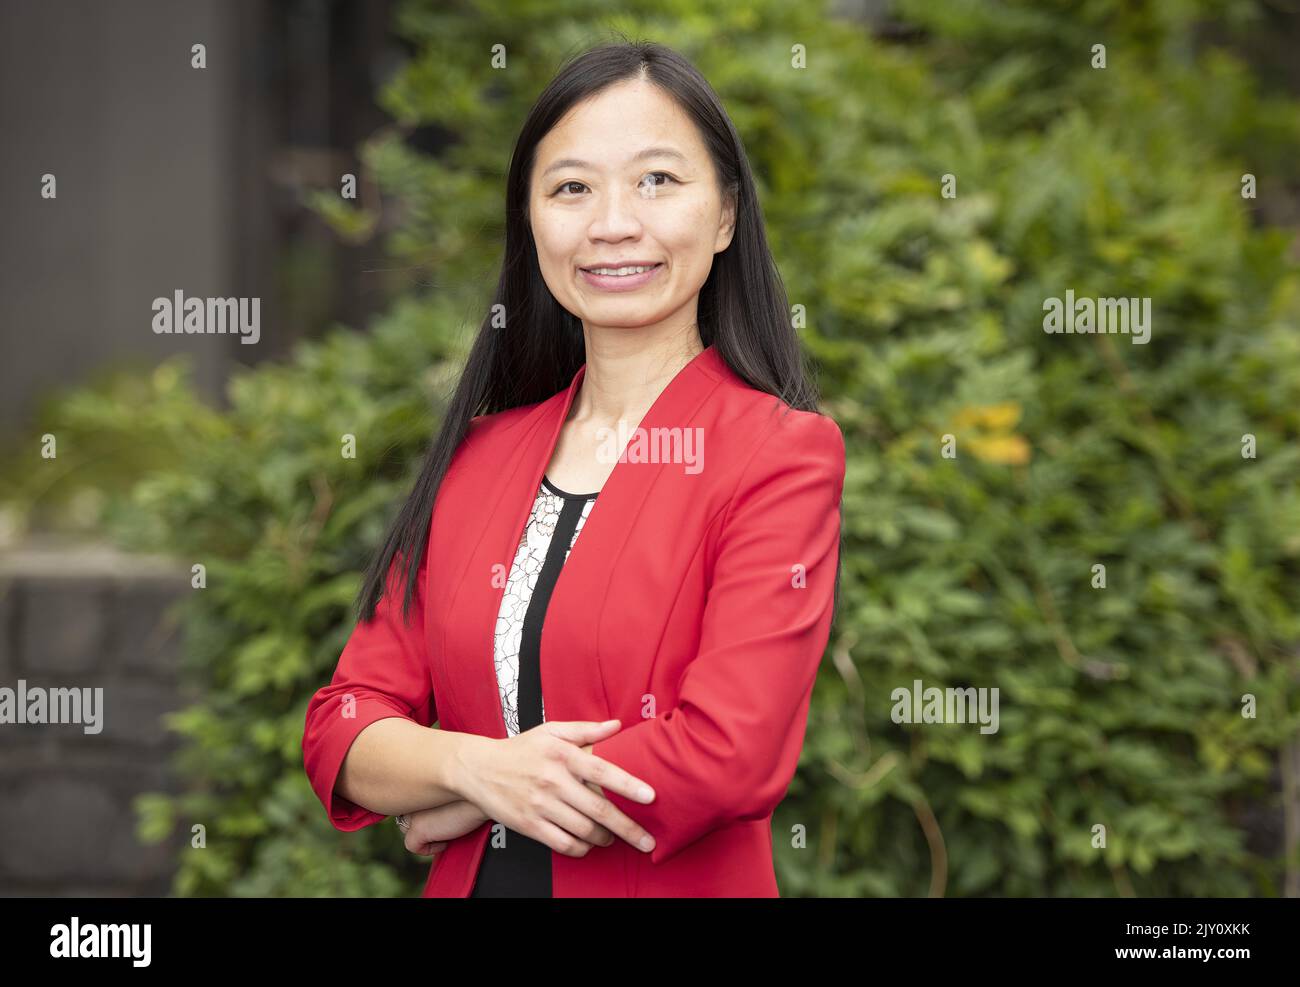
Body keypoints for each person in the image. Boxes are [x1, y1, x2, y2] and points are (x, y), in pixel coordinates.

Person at [302, 39, 846, 898]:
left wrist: (468, 793)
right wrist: (481, 774)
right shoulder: (479, 456)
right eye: (571, 188)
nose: (612, 223)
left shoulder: (777, 454)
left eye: (658, 181)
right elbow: (344, 724)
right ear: (531, 221)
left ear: (728, 214)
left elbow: (730, 752)